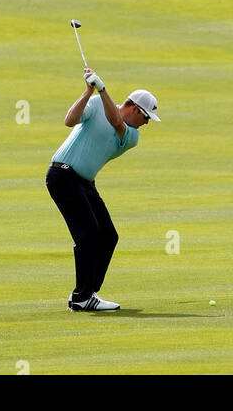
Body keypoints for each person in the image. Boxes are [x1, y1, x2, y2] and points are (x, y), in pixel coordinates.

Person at [46, 67, 160, 311]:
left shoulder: (132, 136)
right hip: (62, 176)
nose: (147, 122)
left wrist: (102, 88)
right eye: (146, 116)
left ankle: (89, 293)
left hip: (84, 182)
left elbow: (115, 121)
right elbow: (69, 120)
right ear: (133, 107)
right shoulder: (97, 103)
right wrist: (89, 91)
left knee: (108, 235)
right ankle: (81, 298)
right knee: (87, 236)